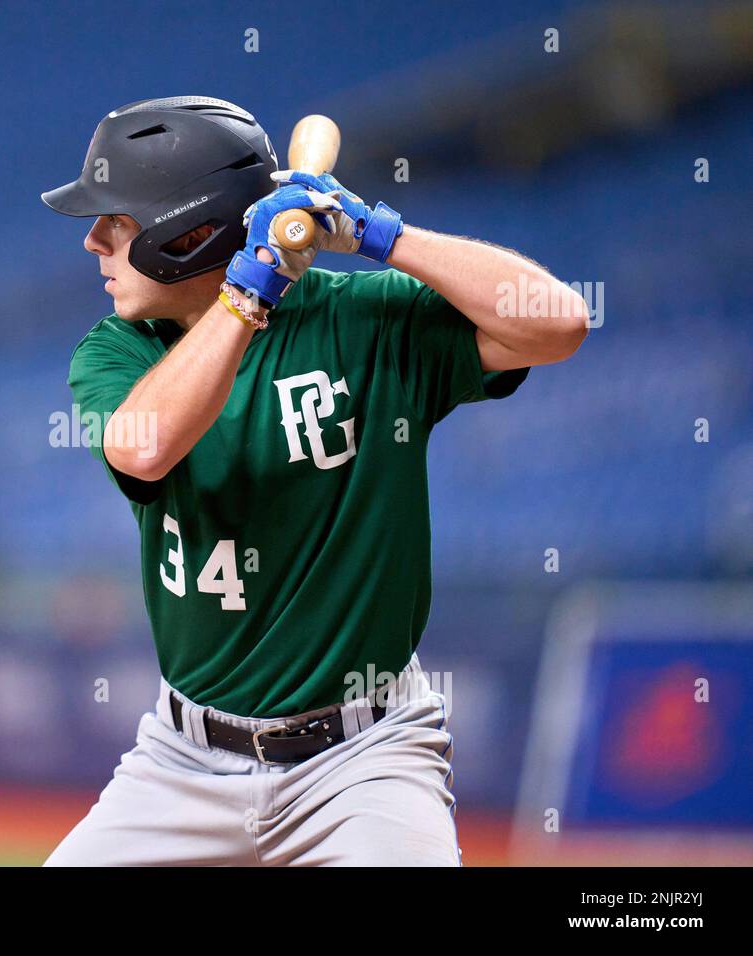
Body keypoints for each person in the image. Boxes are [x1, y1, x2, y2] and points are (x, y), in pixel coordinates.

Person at [40, 96, 586, 866]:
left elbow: (558, 323)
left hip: (363, 758)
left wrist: (376, 233)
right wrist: (248, 291)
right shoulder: (117, 352)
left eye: (116, 223)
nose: (93, 241)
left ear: (185, 233)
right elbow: (145, 447)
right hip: (182, 761)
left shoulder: (365, 322)